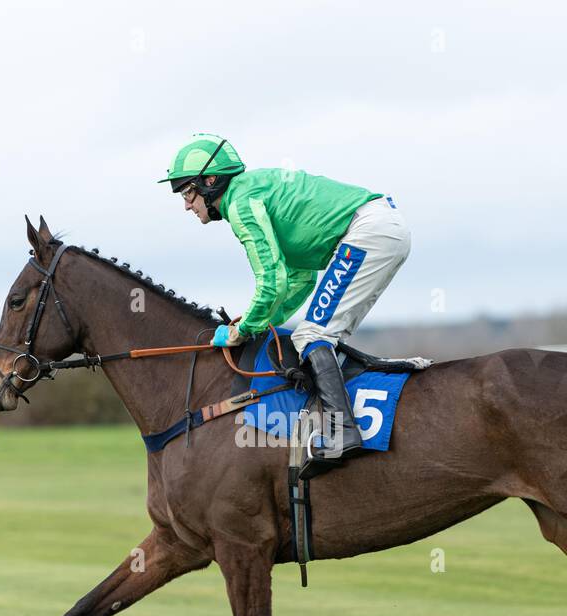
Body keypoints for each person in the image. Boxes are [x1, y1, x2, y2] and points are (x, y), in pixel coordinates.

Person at [159, 134, 410, 461]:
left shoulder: (240, 203)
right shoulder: (253, 190)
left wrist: (244, 329)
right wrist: (263, 323)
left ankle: (344, 431)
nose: (186, 204)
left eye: (188, 192)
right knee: (318, 333)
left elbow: (272, 282)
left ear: (210, 182)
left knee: (312, 334)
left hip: (369, 232)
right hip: (381, 228)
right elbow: (300, 279)